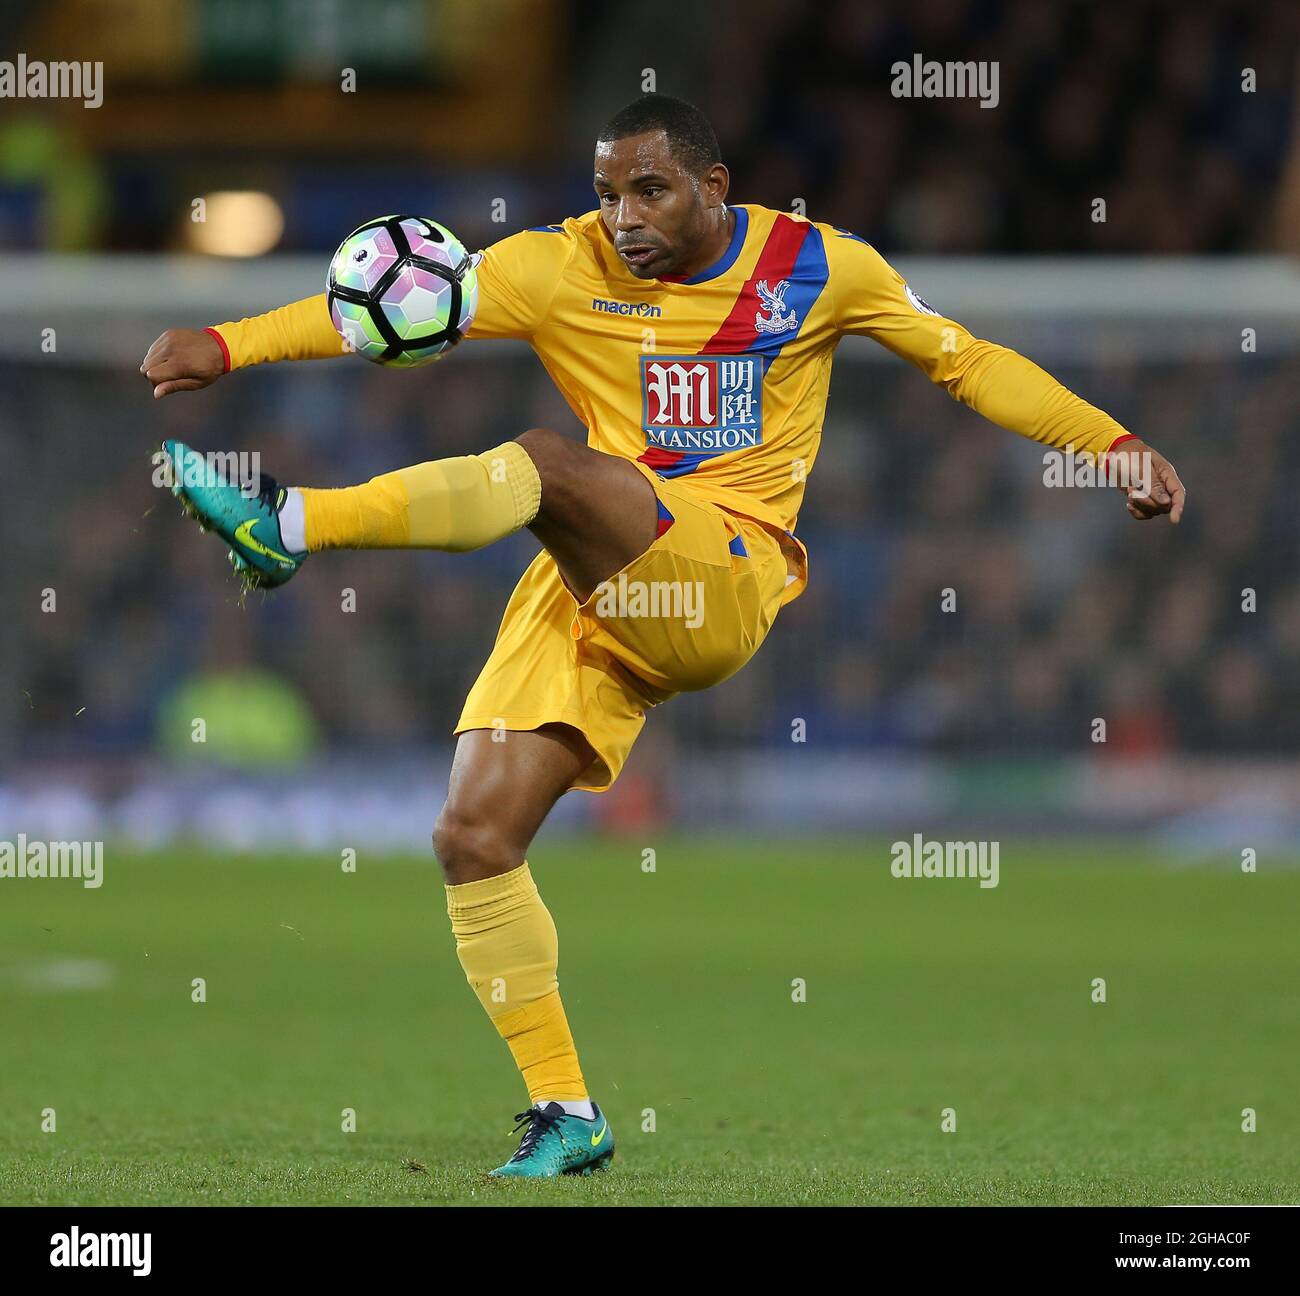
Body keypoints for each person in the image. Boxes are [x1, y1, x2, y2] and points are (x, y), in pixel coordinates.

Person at [140, 93, 1186, 1178]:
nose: (623, 216)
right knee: (473, 838)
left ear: (713, 188)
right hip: (590, 579)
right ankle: (567, 1115)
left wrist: (1108, 442)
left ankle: (294, 523)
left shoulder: (820, 267)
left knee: (546, 464)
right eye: (606, 193)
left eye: (649, 190)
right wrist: (229, 342)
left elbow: (969, 361)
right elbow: (399, 304)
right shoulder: (561, 265)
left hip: (723, 573)